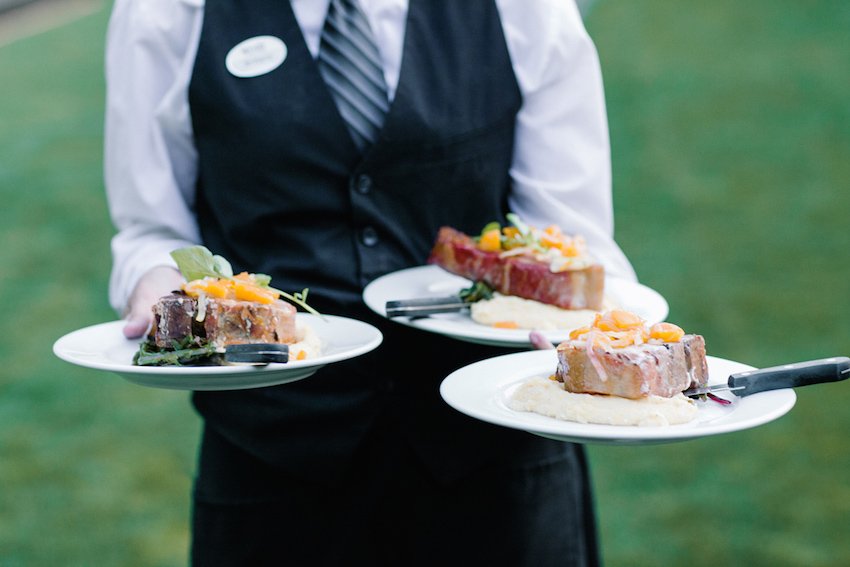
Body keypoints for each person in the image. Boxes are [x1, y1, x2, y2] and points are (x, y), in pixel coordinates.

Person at [104, 0, 636, 565]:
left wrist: (577, 328)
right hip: (273, 466)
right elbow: (151, 229)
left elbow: (567, 233)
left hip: (498, 453)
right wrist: (155, 281)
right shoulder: (164, 12)